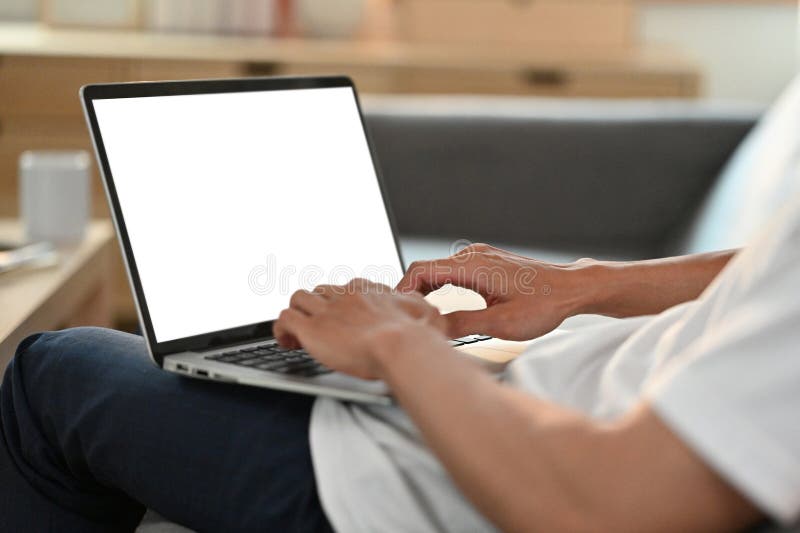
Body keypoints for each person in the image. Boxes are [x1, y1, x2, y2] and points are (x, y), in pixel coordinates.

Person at [2, 200, 799, 532]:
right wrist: (584, 286)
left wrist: (398, 344)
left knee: (53, 369)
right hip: (507, 407)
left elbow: (606, 509)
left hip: (455, 484)